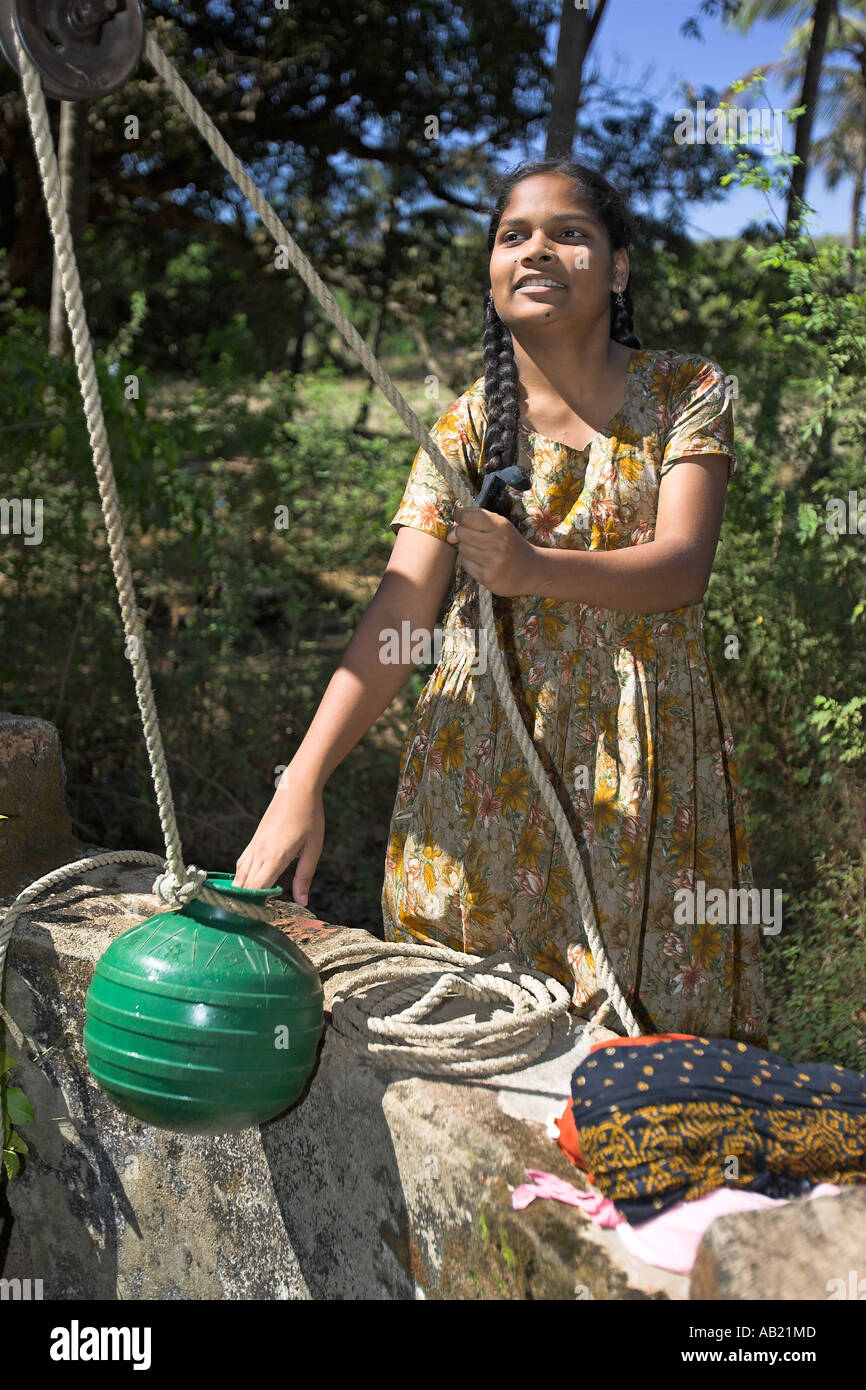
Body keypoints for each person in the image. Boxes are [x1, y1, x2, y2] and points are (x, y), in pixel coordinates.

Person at [234, 157, 768, 1044]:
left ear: (619, 266)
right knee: (477, 1029)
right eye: (513, 235)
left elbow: (680, 570)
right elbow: (400, 616)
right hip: (480, 769)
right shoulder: (468, 427)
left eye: (571, 233)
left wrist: (532, 569)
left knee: (640, 1044)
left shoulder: (686, 390)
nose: (537, 251)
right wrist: (304, 780)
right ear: (490, 270)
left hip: (642, 767)